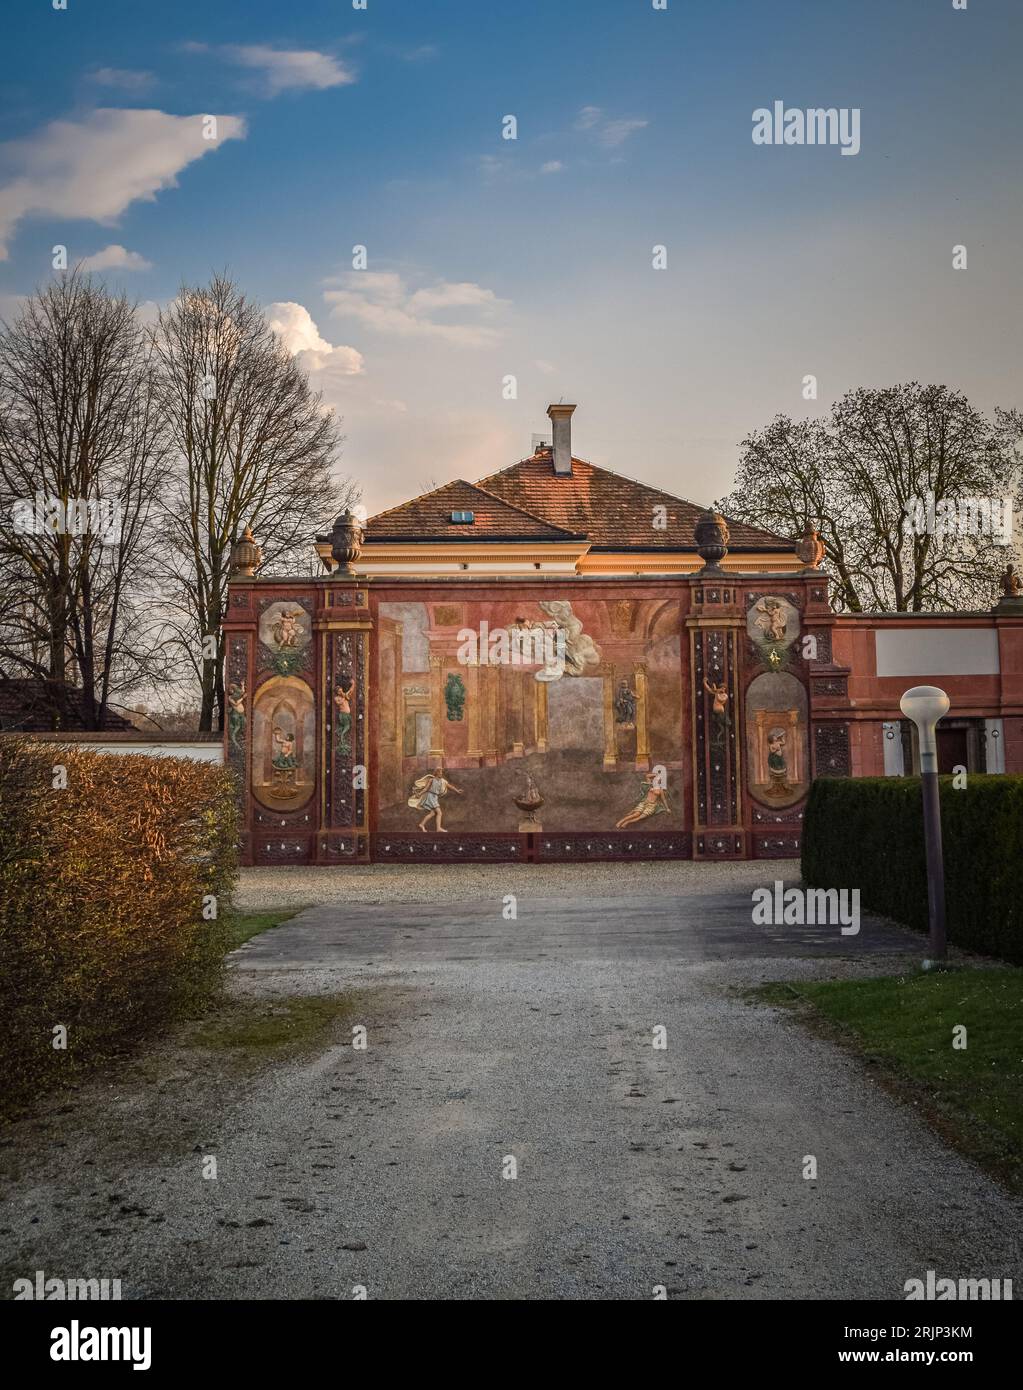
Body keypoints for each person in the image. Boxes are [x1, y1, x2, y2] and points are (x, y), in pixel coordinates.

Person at [410, 766, 463, 833]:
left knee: (432, 813)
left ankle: (422, 824)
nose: (441, 774)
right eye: (440, 772)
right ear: (436, 773)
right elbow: (426, 789)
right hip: (430, 796)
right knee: (439, 812)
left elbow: (450, 786)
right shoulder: (431, 780)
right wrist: (420, 794)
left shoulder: (443, 781)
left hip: (434, 797)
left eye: (441, 772)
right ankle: (438, 828)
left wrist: (457, 791)